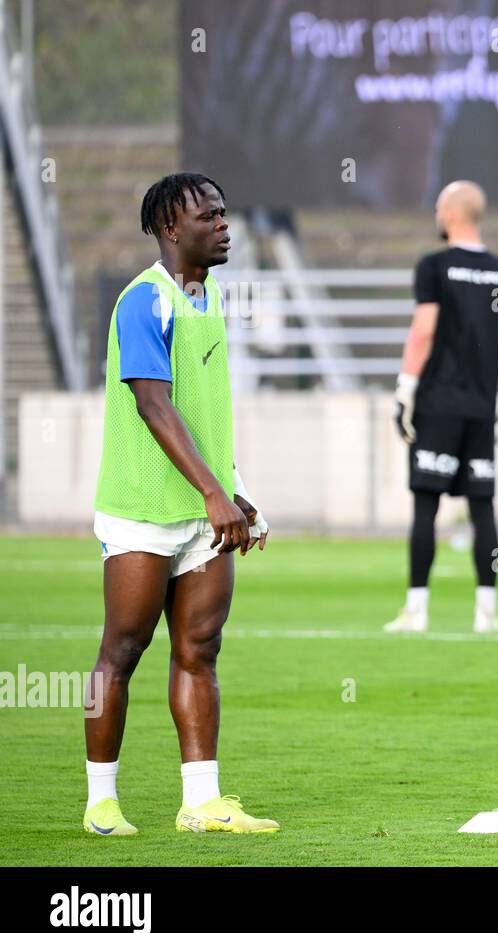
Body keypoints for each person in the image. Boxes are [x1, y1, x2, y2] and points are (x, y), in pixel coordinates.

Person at [84, 172, 276, 836]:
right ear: (172, 227)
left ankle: (202, 802)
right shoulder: (146, 302)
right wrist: (214, 491)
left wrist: (238, 490)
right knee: (123, 648)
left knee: (200, 647)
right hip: (142, 510)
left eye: (226, 213)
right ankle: (101, 801)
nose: (225, 225)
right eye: (210, 216)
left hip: (204, 513)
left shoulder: (209, 296)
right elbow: (153, 404)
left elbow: (202, 412)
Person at [385, 181, 498, 635]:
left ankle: (416, 610)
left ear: (448, 214)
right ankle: (487, 612)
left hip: (438, 402)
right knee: (482, 506)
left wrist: (406, 388)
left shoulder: (434, 266)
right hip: (482, 408)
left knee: (426, 506)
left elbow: (422, 332)